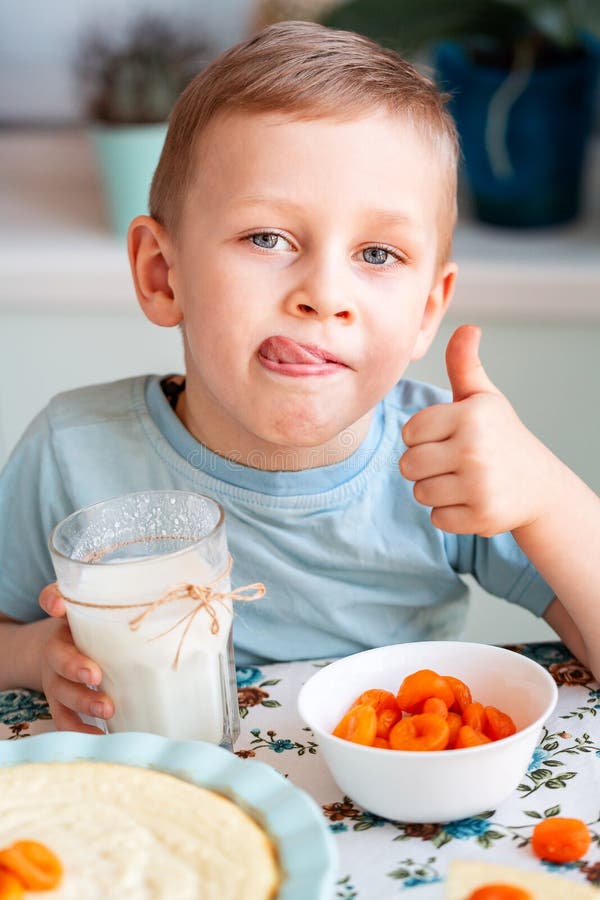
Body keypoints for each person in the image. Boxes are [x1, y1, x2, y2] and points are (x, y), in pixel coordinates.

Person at [1, 22, 599, 735]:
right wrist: (37, 652)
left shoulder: (443, 460)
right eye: (268, 238)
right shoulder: (73, 450)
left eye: (377, 253)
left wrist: (547, 499)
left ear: (426, 312)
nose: (325, 293)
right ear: (163, 275)